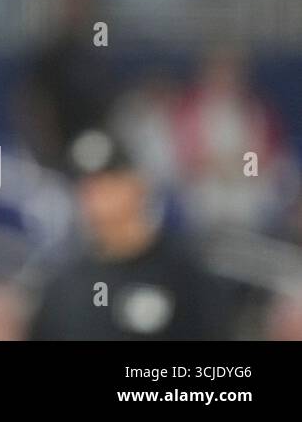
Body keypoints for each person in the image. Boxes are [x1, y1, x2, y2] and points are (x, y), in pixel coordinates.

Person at [28, 130, 231, 340]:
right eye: (85, 186)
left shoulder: (187, 272)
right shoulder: (63, 287)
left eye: (108, 182)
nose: (96, 199)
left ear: (139, 184)